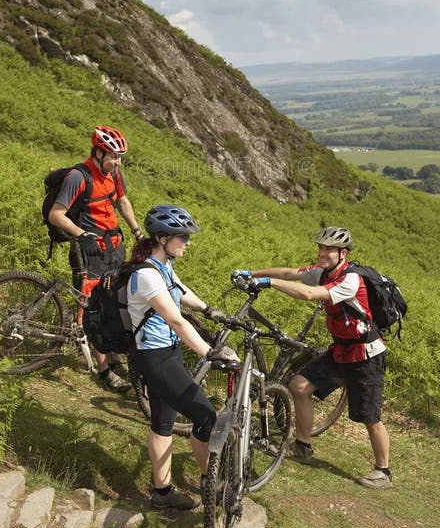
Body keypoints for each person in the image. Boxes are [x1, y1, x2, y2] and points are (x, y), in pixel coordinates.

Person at [232, 226, 392, 490]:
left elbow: (308, 294)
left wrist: (268, 283)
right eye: (320, 247)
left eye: (328, 249)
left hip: (365, 355)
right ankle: (303, 447)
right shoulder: (323, 272)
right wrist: (251, 273)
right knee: (299, 386)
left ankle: (383, 471)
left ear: (342, 253)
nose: (322, 253)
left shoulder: (351, 280)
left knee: (369, 416)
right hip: (340, 350)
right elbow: (290, 273)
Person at [126, 204, 237, 510]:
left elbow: (178, 289)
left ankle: (162, 494)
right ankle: (210, 484)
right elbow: (176, 320)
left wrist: (206, 308)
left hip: (166, 353)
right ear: (162, 238)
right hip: (155, 358)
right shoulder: (147, 275)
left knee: (163, 422)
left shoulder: (163, 266)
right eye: (183, 237)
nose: (188, 242)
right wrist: (209, 352)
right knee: (206, 417)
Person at [48, 125, 143, 392]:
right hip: (89, 251)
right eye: (113, 156)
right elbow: (56, 214)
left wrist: (136, 231)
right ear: (98, 152)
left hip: (114, 247)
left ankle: (113, 357)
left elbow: (122, 202)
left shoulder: (114, 174)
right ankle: (103, 371)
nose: (117, 162)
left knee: (115, 304)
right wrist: (81, 235)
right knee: (91, 309)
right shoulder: (79, 177)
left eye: (120, 156)